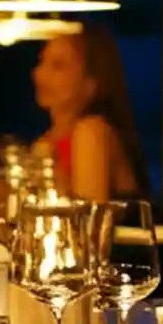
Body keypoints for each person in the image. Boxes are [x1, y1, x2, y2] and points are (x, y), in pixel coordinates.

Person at [30, 24, 153, 202]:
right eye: (41, 61)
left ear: (91, 83)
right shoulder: (46, 141)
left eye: (58, 66)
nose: (39, 74)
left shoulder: (91, 131)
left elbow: (88, 218)